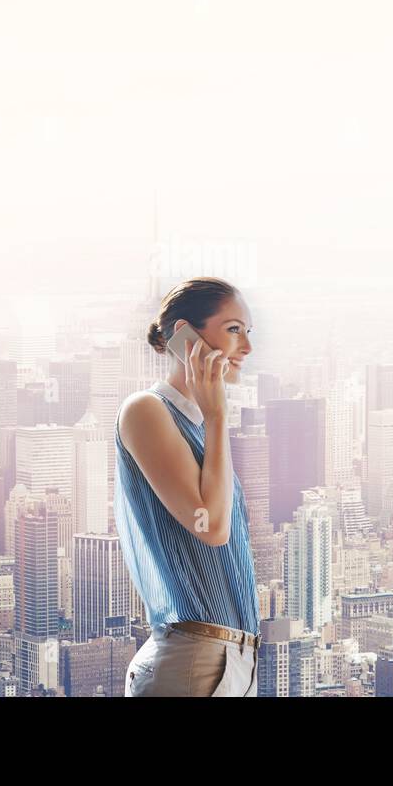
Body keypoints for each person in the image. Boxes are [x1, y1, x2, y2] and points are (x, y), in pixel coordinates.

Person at [114, 276, 261, 696]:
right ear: (185, 335)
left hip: (234, 661)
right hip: (193, 661)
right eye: (234, 329)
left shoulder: (198, 429)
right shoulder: (146, 410)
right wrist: (217, 417)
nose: (246, 347)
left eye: (248, 332)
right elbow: (211, 527)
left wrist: (211, 419)